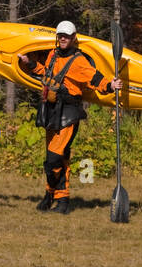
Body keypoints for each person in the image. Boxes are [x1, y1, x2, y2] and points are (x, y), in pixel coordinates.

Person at [18, 19, 122, 215]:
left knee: (53, 159)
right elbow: (45, 73)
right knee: (60, 158)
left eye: (66, 36)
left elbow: (95, 78)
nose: (63, 38)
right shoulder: (52, 55)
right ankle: (56, 198)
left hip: (68, 114)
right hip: (50, 110)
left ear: (74, 38)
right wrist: (29, 63)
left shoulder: (79, 60)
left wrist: (110, 86)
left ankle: (56, 197)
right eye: (60, 35)